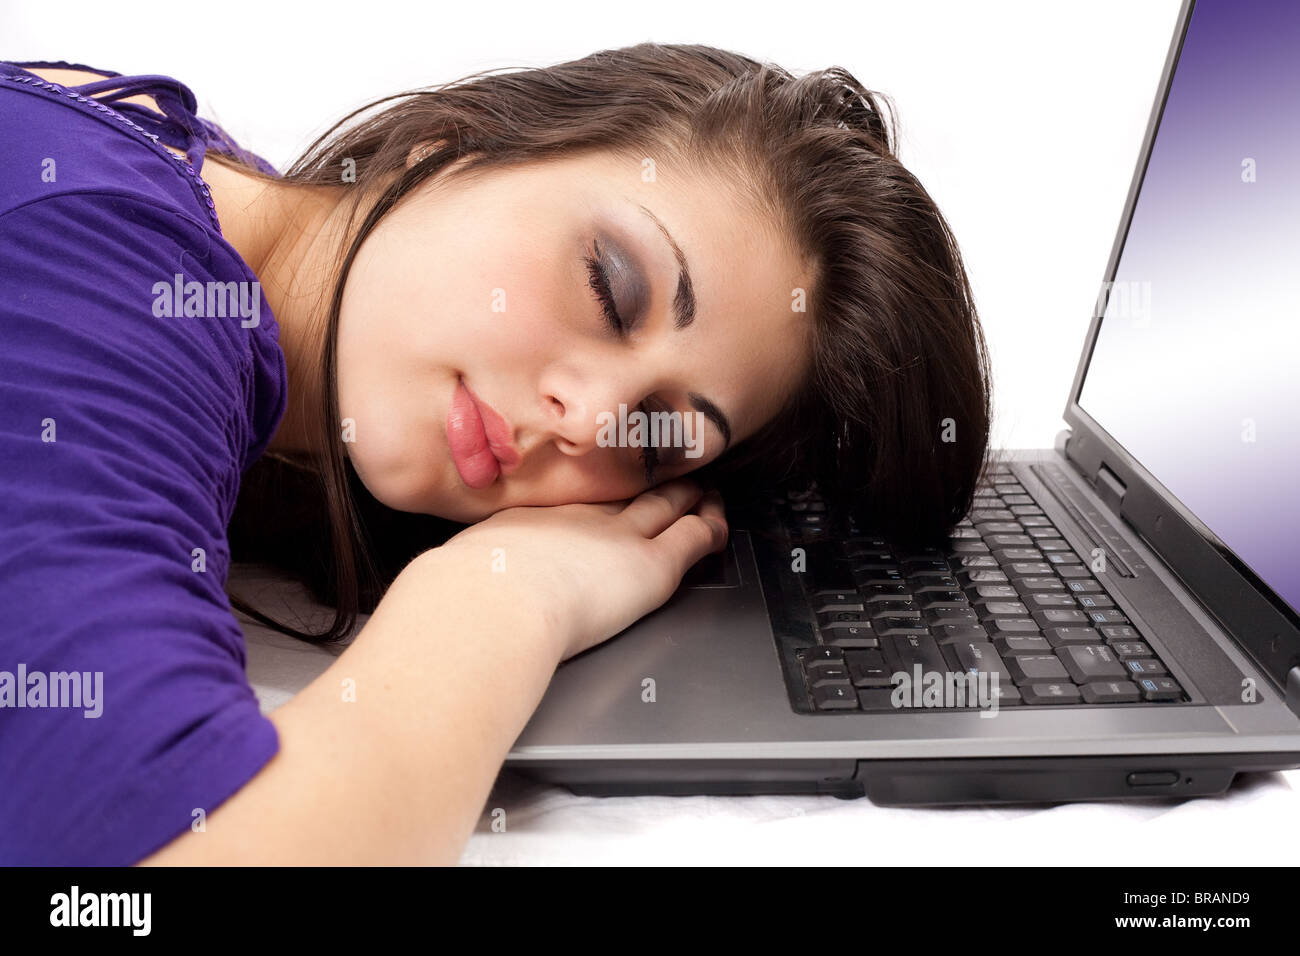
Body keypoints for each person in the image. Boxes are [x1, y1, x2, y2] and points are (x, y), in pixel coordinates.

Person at [0, 45, 992, 865]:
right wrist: (503, 596)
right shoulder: (112, 263)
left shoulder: (181, 194)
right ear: (455, 143)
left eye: (659, 434)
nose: (589, 416)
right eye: (611, 284)